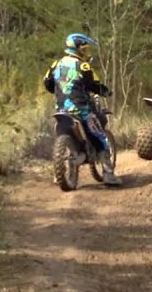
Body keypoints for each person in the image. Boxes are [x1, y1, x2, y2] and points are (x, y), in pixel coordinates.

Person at [47, 32, 120, 185]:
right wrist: (106, 91)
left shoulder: (55, 65)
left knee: (60, 135)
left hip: (61, 110)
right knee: (101, 136)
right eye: (85, 49)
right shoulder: (83, 66)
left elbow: (47, 84)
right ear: (78, 49)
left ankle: (58, 173)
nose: (87, 52)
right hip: (81, 110)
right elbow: (94, 85)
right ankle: (108, 174)